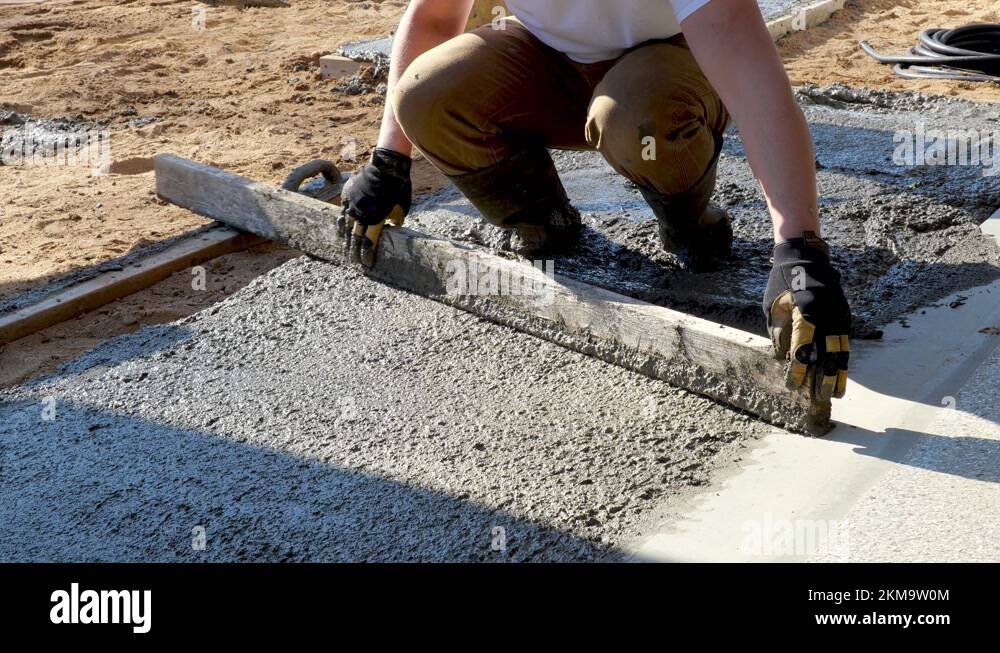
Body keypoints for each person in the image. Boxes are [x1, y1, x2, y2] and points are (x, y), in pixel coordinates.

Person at [341, 0, 851, 402]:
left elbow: (750, 73)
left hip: (670, 68)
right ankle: (546, 222)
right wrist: (390, 159)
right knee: (426, 94)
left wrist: (800, 249)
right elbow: (433, 16)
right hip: (552, 61)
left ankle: (689, 221)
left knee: (637, 119)